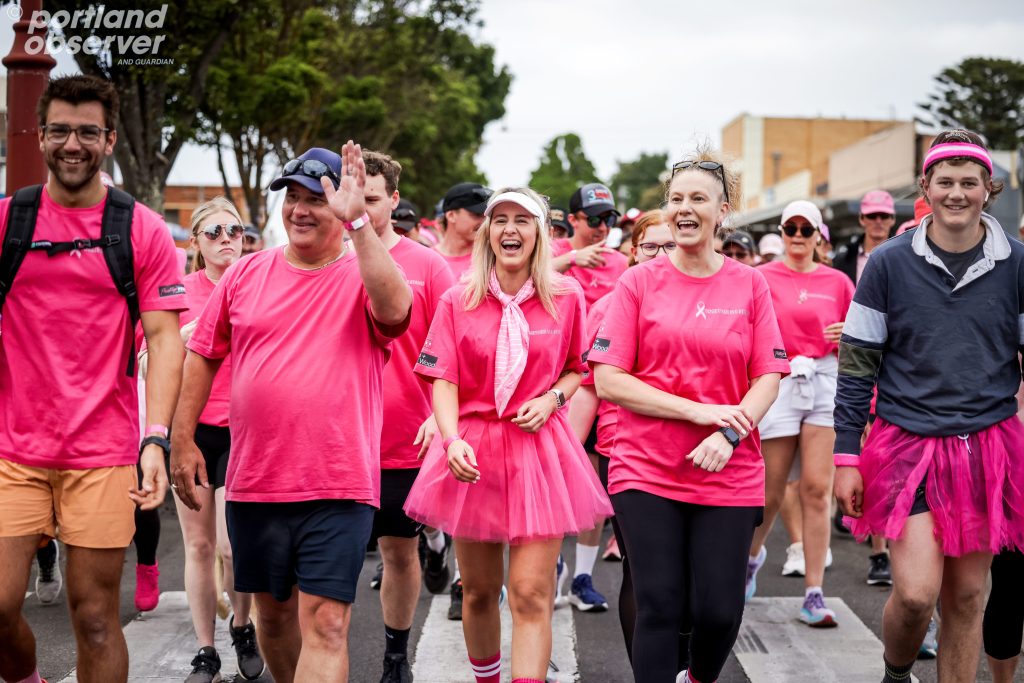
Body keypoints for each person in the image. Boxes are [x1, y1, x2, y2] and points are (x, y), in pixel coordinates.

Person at [171, 143, 412, 683]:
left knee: (326, 623)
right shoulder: (245, 275)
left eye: (315, 200)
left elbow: (396, 312)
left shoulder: (364, 272)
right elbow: (203, 355)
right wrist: (180, 440)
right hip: (257, 481)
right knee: (274, 620)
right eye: (292, 198)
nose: (299, 210)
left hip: (339, 484)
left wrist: (359, 227)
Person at [0, 74, 185, 683]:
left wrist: (155, 438)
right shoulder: (8, 222)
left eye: (86, 132)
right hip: (11, 450)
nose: (71, 144)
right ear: (40, 135)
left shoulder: (141, 229)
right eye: (58, 130)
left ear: (108, 140)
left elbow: (162, 339)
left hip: (102, 453)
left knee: (97, 616)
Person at [834, 129, 1024, 683]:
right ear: (926, 186)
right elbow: (856, 365)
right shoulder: (889, 264)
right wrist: (846, 455)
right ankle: (896, 672)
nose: (957, 193)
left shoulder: (1017, 264)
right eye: (946, 182)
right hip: (906, 443)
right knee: (917, 596)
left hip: (987, 446)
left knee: (967, 598)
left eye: (970, 182)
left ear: (989, 187)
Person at [590, 152, 788, 682]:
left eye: (697, 199)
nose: (683, 208)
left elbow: (767, 377)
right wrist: (698, 412)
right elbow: (609, 379)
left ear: (723, 211)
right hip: (645, 467)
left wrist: (726, 431)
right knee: (659, 605)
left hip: (729, 469)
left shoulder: (750, 285)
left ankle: (696, 676)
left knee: (719, 612)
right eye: (676, 199)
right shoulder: (638, 284)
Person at [403, 187, 612, 683]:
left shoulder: (567, 296)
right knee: (477, 590)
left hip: (538, 450)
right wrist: (451, 440)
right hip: (472, 451)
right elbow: (444, 380)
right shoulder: (459, 298)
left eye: (523, 220)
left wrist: (552, 400)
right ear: (486, 232)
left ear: (541, 233)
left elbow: (575, 370)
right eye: (500, 220)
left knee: (531, 592)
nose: (510, 230)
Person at [361, 150, 456, 681]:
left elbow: (455, 345)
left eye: (373, 199)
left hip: (405, 439)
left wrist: (437, 414)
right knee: (334, 563)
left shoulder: (427, 265)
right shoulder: (329, 257)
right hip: (340, 443)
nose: (363, 208)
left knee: (399, 553)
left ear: (394, 202)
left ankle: (396, 655)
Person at [164, 197, 263, 683]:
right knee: (198, 547)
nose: (227, 239)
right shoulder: (181, 292)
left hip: (248, 430)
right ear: (196, 244)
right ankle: (206, 651)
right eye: (215, 232)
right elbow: (150, 357)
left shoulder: (261, 285)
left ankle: (242, 625)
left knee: (231, 546)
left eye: (236, 231)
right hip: (194, 432)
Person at [743, 200, 854, 628]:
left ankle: (813, 592)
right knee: (771, 490)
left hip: (825, 378)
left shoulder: (838, 282)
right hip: (781, 377)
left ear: (818, 236)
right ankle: (752, 560)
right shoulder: (761, 276)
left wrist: (849, 335)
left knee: (815, 489)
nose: (797, 235)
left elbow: (859, 337)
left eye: (806, 229)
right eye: (790, 227)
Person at [550, 183, 628, 308]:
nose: (603, 228)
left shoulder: (622, 263)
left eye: (609, 220)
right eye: (594, 220)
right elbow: (529, 277)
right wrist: (572, 258)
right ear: (573, 220)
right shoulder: (551, 250)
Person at [435, 182, 492, 280]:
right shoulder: (426, 259)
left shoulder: (491, 260)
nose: (484, 222)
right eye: (477, 214)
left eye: (487, 216)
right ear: (451, 216)